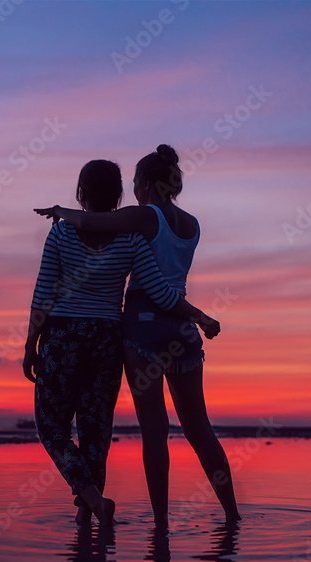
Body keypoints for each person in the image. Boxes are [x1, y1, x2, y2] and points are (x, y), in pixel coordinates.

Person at [34, 145, 241, 524]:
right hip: (181, 326)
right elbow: (169, 282)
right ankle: (232, 514)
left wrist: (62, 211)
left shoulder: (143, 218)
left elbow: (93, 224)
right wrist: (198, 317)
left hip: (144, 328)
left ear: (145, 184)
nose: (131, 190)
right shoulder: (192, 224)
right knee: (199, 430)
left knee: (154, 431)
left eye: (134, 183)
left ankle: (160, 525)